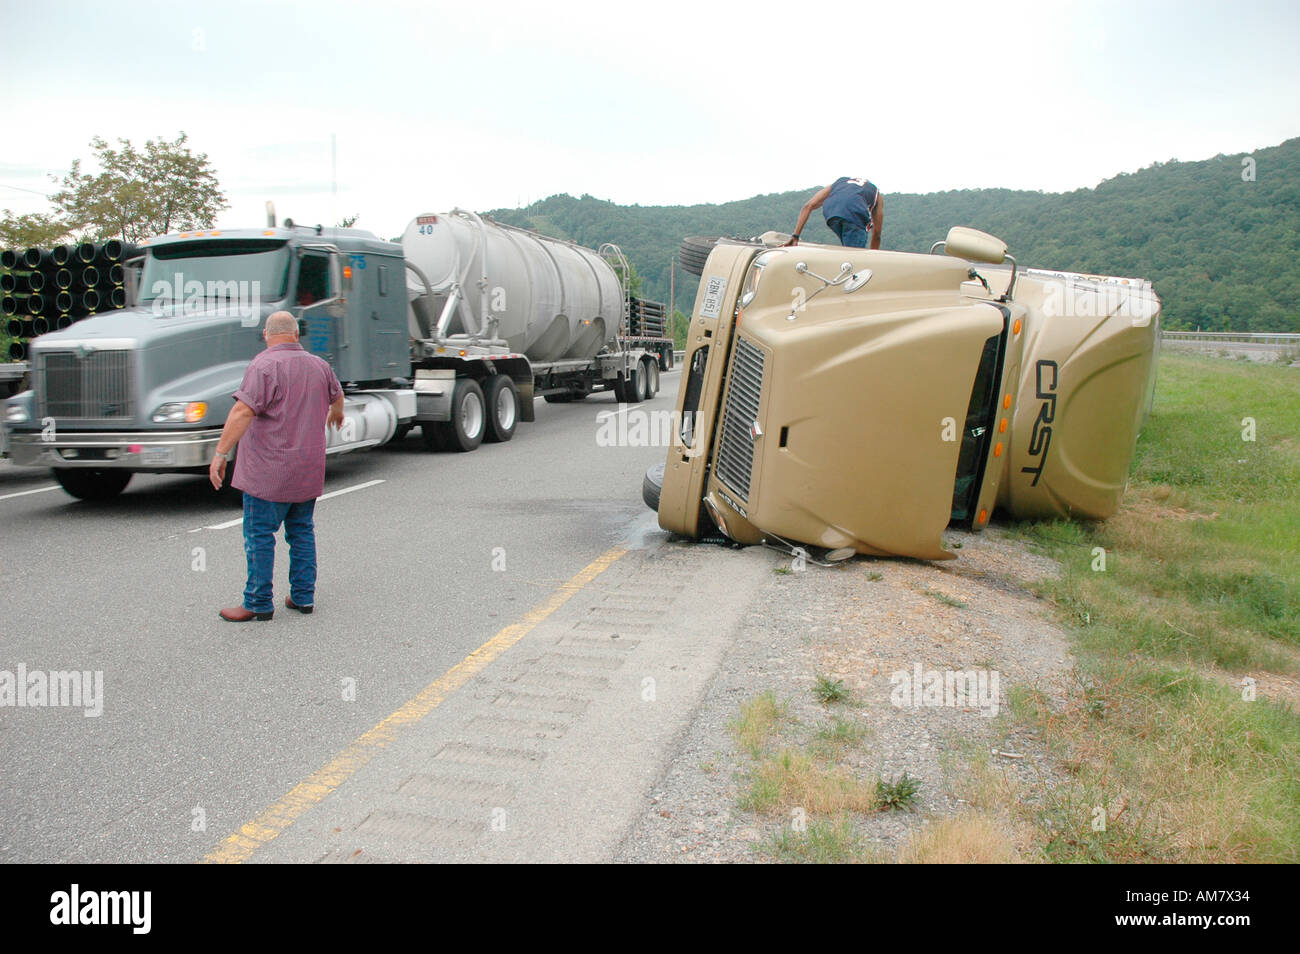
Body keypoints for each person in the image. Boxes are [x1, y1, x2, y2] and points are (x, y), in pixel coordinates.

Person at [210, 311, 344, 622]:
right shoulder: (320, 365)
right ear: (297, 335)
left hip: (269, 472)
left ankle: (258, 602)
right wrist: (336, 414)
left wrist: (220, 454)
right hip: (307, 468)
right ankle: (303, 596)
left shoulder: (264, 365)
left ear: (267, 336)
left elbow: (242, 412)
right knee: (301, 532)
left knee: (259, 535)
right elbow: (337, 396)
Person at [787, 176, 885, 249]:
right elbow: (876, 233)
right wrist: (874, 258)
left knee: (848, 247)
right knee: (854, 257)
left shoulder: (839, 183)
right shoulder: (877, 195)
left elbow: (808, 206)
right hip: (854, 213)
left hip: (831, 214)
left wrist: (795, 236)